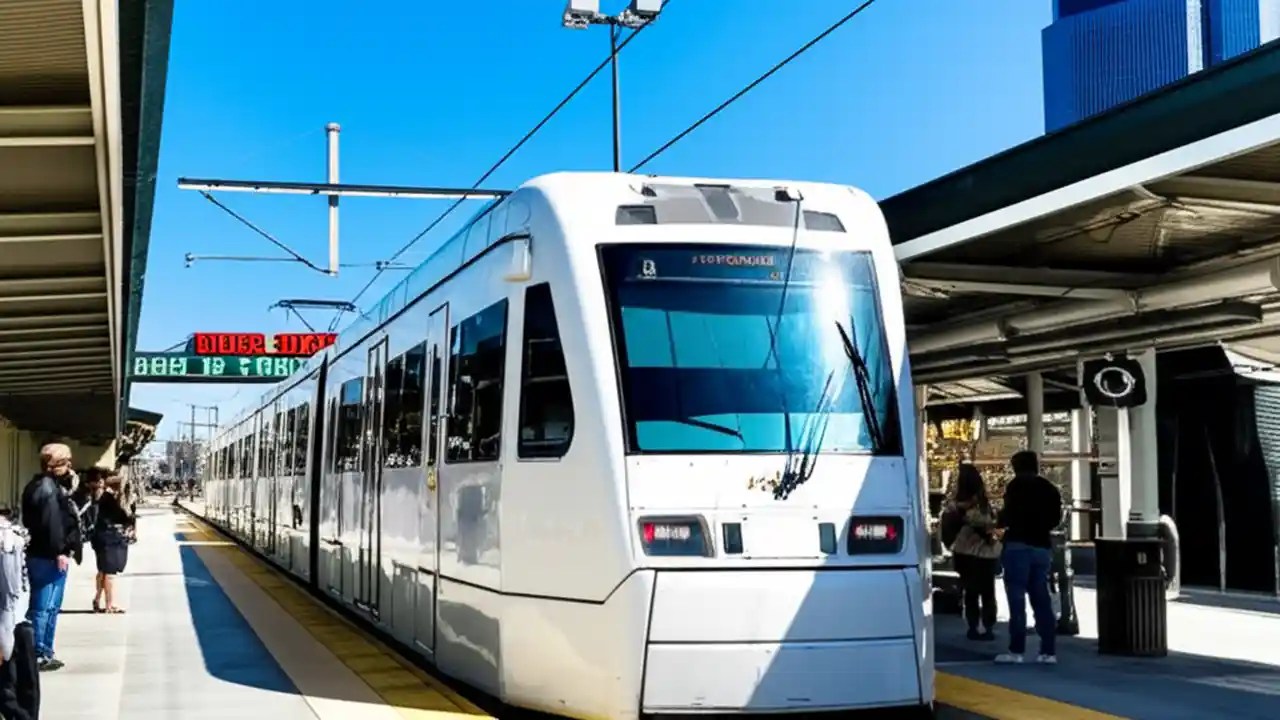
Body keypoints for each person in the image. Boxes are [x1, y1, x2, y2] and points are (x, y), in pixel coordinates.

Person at [994, 450, 1063, 665]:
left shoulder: (1016, 486)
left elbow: (1008, 515)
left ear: (1017, 467)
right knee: (1041, 597)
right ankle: (1048, 651)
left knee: (1017, 598)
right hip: (1042, 547)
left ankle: (1017, 650)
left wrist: (999, 522)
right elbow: (1055, 519)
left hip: (1018, 545)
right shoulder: (1050, 488)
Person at [20, 443, 81, 672]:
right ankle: (39, 652)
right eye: (66, 462)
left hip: (43, 554)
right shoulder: (47, 489)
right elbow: (52, 523)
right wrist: (60, 551)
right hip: (48, 557)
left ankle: (45, 650)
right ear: (55, 464)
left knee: (49, 606)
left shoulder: (40, 485)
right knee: (44, 606)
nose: (69, 466)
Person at [944, 464, 1001, 641]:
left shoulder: (954, 507)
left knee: (970, 591)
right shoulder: (985, 505)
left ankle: (973, 626)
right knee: (988, 592)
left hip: (964, 552)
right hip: (987, 553)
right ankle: (989, 626)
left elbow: (947, 531)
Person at [0, 509, 38, 719]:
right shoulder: (13, 539)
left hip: (10, 625)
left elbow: (8, 598)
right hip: (16, 623)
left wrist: (3, 643)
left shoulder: (7, 544)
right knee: (25, 687)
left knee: (10, 690)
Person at [90, 474, 134, 614]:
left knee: (103, 571)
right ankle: (110, 604)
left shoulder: (104, 497)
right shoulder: (109, 499)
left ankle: (98, 600)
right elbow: (122, 516)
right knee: (109, 573)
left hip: (104, 537)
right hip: (109, 538)